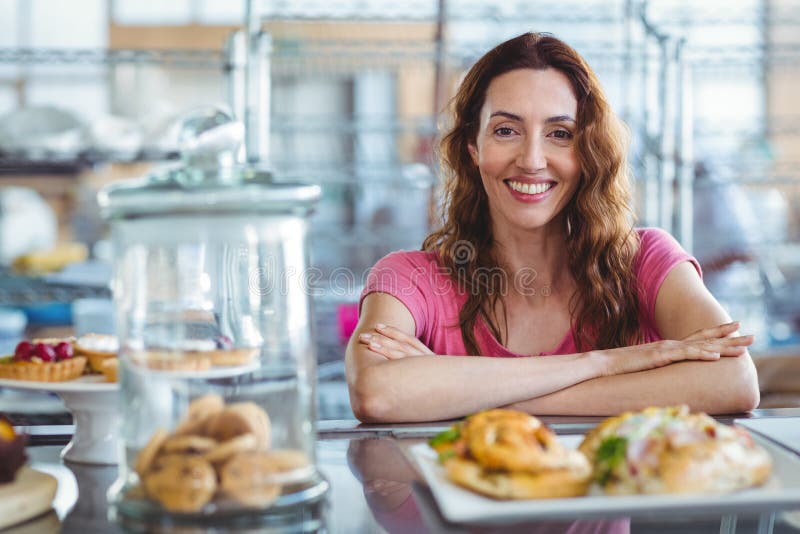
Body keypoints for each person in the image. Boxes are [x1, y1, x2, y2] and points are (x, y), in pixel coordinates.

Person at [345, 32, 759, 423]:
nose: (532, 159)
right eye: (506, 130)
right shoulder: (409, 278)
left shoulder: (647, 262)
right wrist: (601, 364)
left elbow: (735, 380)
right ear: (473, 147)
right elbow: (377, 392)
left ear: (588, 152)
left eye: (560, 133)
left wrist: (461, 390)